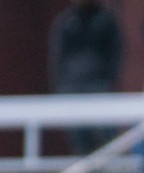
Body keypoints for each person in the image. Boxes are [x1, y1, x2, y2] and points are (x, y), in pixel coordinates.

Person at [50, 0, 125, 157]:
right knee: (80, 139)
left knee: (107, 135)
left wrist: (109, 80)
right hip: (72, 86)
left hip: (99, 84)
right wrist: (61, 84)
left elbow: (116, 53)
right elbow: (58, 57)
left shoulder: (106, 21)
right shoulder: (67, 22)